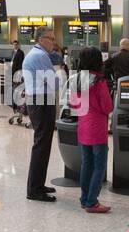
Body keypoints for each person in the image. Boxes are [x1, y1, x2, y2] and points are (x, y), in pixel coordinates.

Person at [69, 47, 112, 213]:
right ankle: (92, 202)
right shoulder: (99, 81)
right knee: (99, 166)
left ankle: (84, 198)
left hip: (83, 127)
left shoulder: (76, 80)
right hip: (97, 129)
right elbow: (107, 107)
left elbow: (74, 105)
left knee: (86, 164)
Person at [22, 26, 60, 201]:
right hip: (41, 101)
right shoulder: (40, 56)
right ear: (41, 39)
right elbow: (53, 81)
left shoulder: (35, 54)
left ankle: (37, 184)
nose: (53, 42)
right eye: (51, 38)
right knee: (41, 146)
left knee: (42, 145)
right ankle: (34, 189)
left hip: (38, 100)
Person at [9, 42, 26, 123]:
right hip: (13, 74)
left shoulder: (21, 53)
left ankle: (18, 111)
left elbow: (20, 65)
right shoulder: (13, 52)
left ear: (19, 45)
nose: (15, 46)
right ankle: (15, 110)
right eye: (14, 44)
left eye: (16, 45)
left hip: (18, 75)